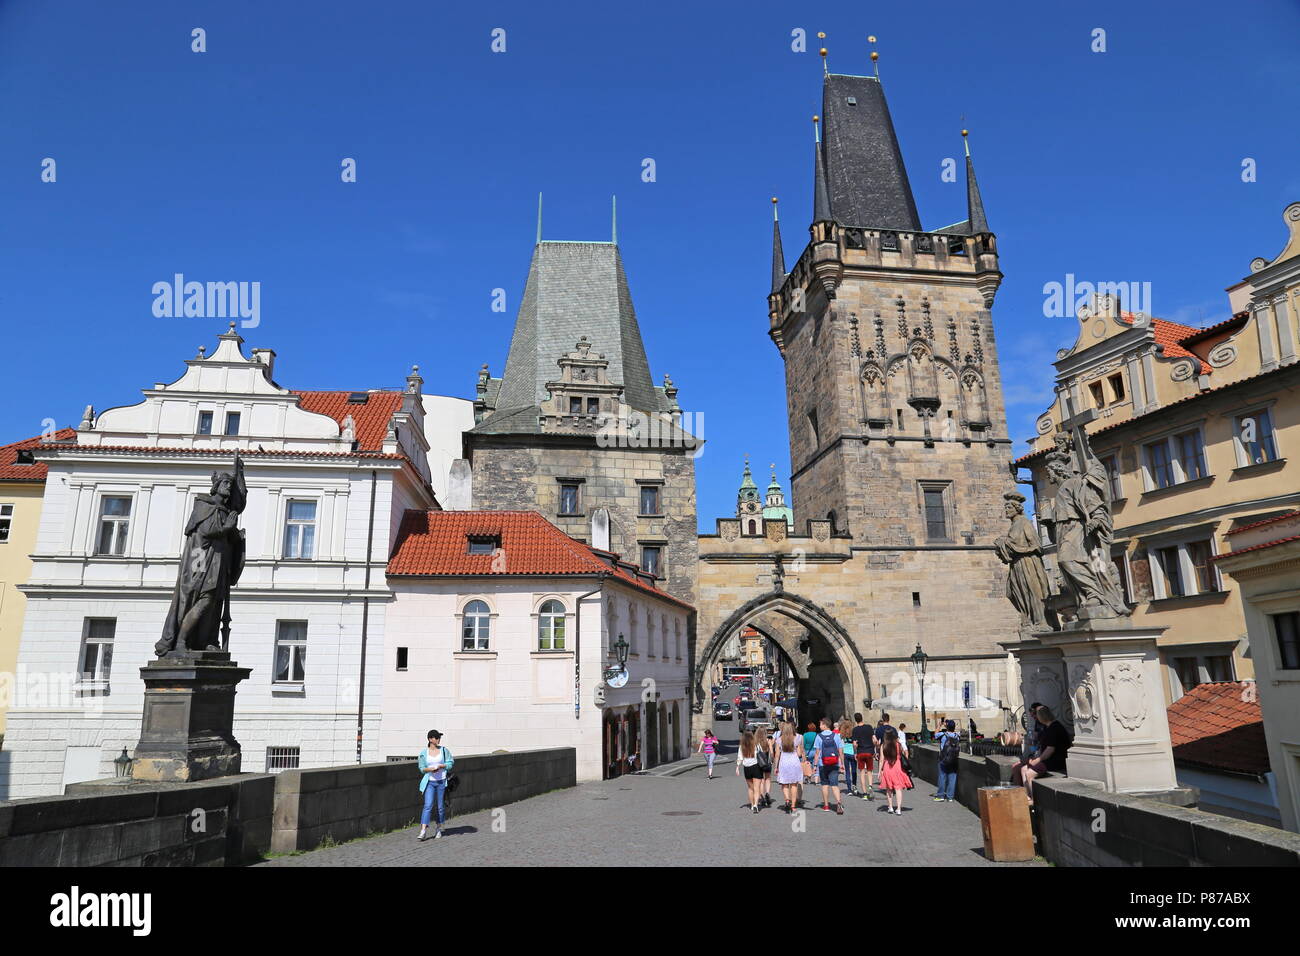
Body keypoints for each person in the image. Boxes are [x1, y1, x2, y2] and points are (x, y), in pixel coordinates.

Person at [1013, 706, 1072, 806]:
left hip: (1055, 760)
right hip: (1048, 758)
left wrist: (1037, 760)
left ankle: (1034, 800)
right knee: (1023, 769)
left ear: (1042, 717)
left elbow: (1050, 750)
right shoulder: (1049, 727)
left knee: (1029, 774)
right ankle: (1026, 796)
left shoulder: (1054, 728)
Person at [417, 729, 454, 841]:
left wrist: (442, 766)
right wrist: (430, 769)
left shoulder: (444, 750)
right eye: (436, 738)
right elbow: (422, 768)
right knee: (428, 805)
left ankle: (438, 828)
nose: (438, 740)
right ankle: (423, 830)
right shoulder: (424, 753)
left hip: (441, 781)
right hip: (430, 782)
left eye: (439, 738)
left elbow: (451, 762)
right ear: (430, 739)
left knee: (440, 807)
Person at [812, 718, 845, 815]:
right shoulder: (836, 736)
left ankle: (826, 805)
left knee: (825, 785)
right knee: (835, 785)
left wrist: (815, 765)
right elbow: (840, 752)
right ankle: (839, 803)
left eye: (821, 724)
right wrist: (842, 764)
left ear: (825, 725)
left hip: (823, 764)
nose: (819, 726)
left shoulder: (819, 737)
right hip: (834, 763)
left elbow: (817, 753)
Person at [877, 729, 911, 815]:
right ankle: (899, 808)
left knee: (889, 788)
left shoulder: (883, 745)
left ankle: (891, 807)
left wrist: (879, 771)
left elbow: (881, 760)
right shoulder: (898, 745)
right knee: (898, 788)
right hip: (897, 767)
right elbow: (901, 754)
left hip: (887, 767)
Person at [775, 723, 804, 813]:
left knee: (784, 784)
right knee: (794, 784)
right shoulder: (797, 739)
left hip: (784, 762)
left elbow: (777, 755)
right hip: (794, 762)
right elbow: (799, 754)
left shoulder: (779, 740)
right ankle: (793, 806)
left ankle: (787, 799)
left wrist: (776, 767)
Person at [736, 730, 764, 813]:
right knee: (757, 788)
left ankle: (752, 805)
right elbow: (761, 753)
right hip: (756, 766)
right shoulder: (756, 744)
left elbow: (740, 757)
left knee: (750, 788)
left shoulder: (742, 746)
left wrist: (737, 767)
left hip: (746, 767)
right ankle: (756, 804)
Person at [851, 713, 876, 801]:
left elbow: (854, 744)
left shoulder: (855, 730)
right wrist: (875, 748)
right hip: (869, 752)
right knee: (869, 771)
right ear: (862, 718)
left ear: (855, 720)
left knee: (862, 772)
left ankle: (865, 794)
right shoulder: (869, 727)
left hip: (860, 752)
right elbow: (875, 739)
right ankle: (870, 786)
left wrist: (855, 753)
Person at [935, 719, 960, 802]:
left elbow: (935, 735)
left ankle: (940, 796)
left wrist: (939, 725)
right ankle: (950, 797)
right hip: (954, 759)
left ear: (946, 726)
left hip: (943, 759)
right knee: (952, 778)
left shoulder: (943, 735)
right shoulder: (957, 735)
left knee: (942, 777)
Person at [754, 726, 775, 808]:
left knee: (761, 780)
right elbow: (772, 752)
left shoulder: (755, 742)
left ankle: (762, 795)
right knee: (768, 779)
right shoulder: (767, 741)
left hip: (759, 762)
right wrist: (772, 760)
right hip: (767, 762)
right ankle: (767, 793)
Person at [838, 718, 858, 796]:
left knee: (847, 772)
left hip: (845, 754)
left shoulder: (842, 734)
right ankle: (854, 787)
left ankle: (849, 789)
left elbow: (841, 745)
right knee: (854, 771)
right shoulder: (853, 733)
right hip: (853, 753)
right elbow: (855, 744)